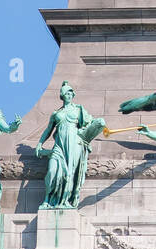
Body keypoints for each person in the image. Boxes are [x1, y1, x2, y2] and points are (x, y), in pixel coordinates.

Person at [34, 81, 105, 209]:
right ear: (62, 96)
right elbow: (48, 130)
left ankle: (65, 200)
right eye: (66, 93)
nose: (69, 95)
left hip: (74, 144)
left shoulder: (79, 110)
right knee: (52, 171)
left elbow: (90, 123)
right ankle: (48, 199)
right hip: (59, 146)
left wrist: (95, 127)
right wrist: (40, 143)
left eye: (70, 93)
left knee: (69, 173)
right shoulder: (56, 113)